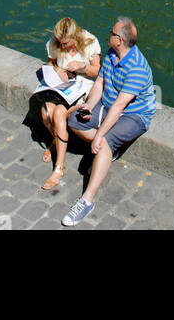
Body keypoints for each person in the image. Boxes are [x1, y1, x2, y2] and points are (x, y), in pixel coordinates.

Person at [62, 16, 156, 227]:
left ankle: (87, 201)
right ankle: (106, 153)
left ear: (120, 40)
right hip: (108, 105)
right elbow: (101, 82)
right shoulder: (113, 54)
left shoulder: (137, 68)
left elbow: (119, 108)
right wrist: (89, 105)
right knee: (75, 121)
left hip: (133, 115)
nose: (109, 35)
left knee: (104, 142)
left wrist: (101, 135)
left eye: (112, 33)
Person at [38, 17, 101, 191]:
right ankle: (57, 140)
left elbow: (98, 71)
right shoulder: (54, 43)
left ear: (76, 37)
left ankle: (59, 167)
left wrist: (81, 68)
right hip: (63, 87)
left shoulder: (90, 42)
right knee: (46, 113)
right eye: (61, 43)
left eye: (66, 43)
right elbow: (49, 63)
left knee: (58, 114)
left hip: (82, 88)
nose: (63, 47)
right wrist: (57, 70)